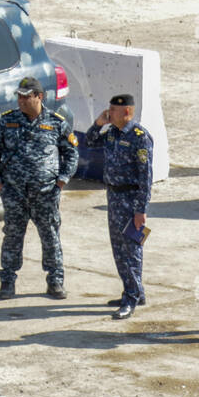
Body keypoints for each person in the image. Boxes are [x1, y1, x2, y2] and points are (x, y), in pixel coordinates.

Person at [0, 76, 78, 301]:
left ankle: (55, 281)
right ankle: (7, 281)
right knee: (12, 236)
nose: (21, 100)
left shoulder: (56, 122)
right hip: (14, 193)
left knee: (50, 236)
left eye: (26, 97)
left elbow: (71, 152)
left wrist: (62, 180)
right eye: (19, 96)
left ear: (39, 97)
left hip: (45, 194)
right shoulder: (7, 121)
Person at [85, 94, 153, 320]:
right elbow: (89, 142)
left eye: (113, 110)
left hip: (131, 198)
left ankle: (131, 297)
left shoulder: (139, 137)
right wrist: (98, 123)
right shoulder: (112, 133)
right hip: (113, 197)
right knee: (118, 249)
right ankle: (133, 291)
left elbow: (146, 177)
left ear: (127, 112)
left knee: (131, 249)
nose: (109, 112)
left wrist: (141, 209)